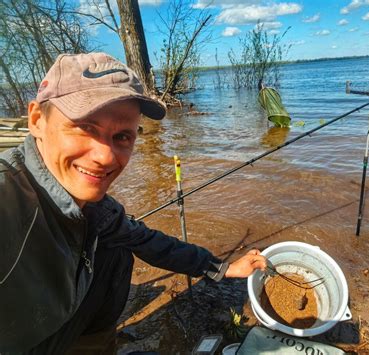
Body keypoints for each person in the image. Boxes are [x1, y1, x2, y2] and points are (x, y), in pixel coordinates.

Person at [0, 52, 267, 354]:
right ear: (36, 120)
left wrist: (224, 268)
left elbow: (150, 242)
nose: (105, 156)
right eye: (85, 127)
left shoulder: (99, 211)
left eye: (123, 136)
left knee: (117, 250)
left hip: (56, 330)